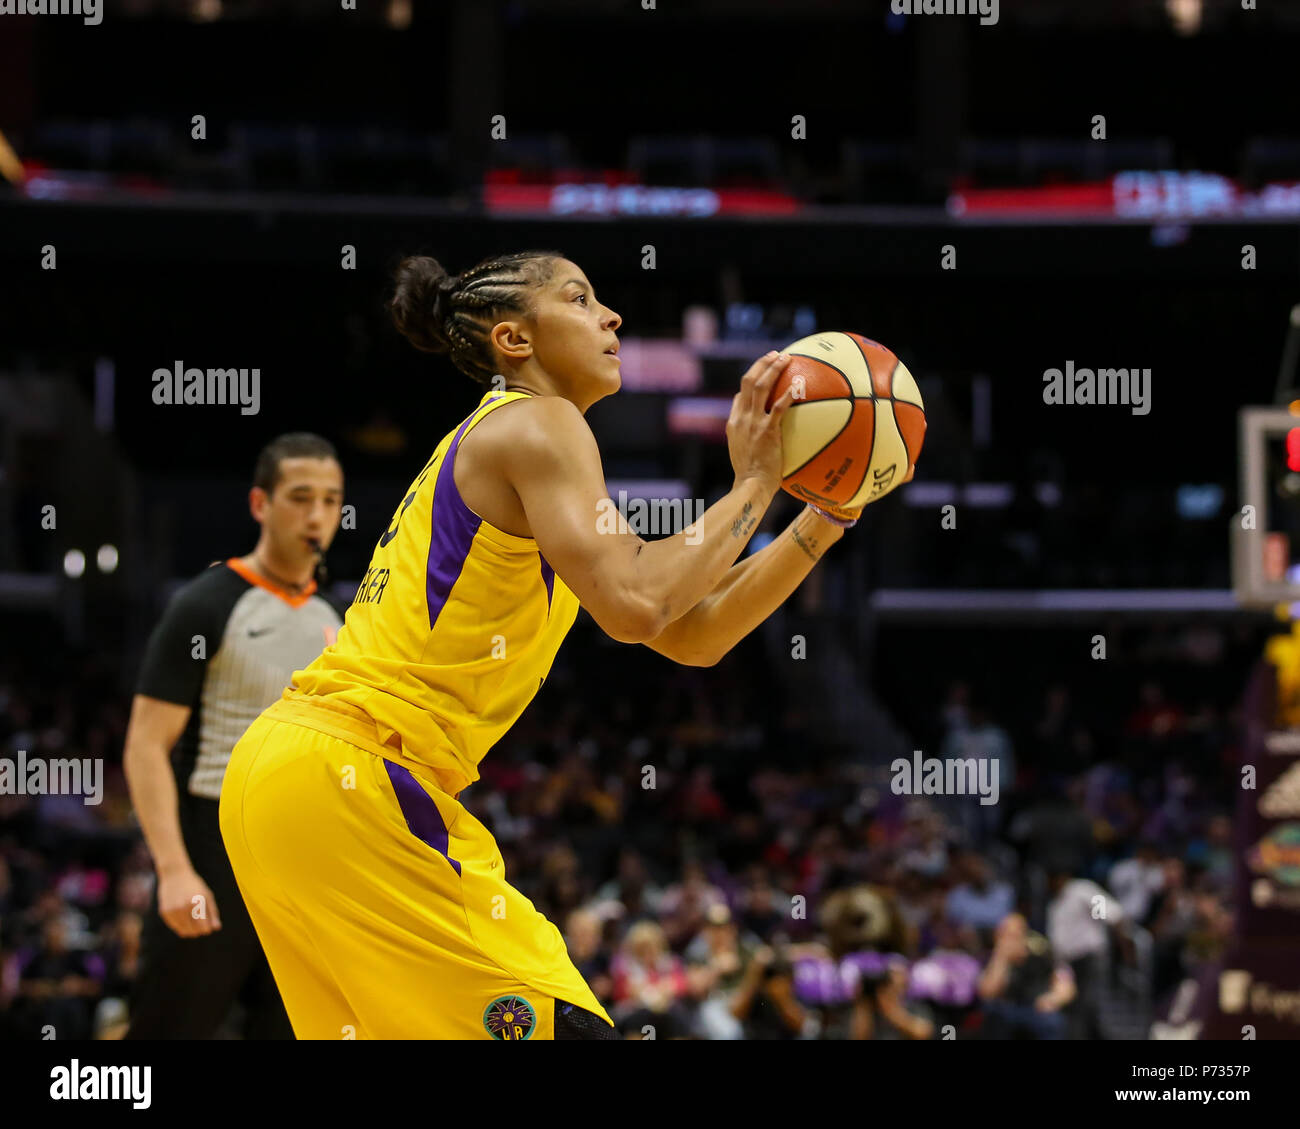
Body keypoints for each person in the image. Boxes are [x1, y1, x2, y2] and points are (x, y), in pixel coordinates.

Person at [220, 249, 913, 1039]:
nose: (611, 316)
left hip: (290, 783)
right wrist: (756, 480)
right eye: (581, 299)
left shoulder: (519, 452)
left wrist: (825, 515)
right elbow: (640, 602)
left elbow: (693, 630)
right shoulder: (539, 422)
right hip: (354, 775)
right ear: (516, 340)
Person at [123, 434, 344, 1039]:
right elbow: (145, 746)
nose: (318, 514)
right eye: (300, 498)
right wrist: (173, 870)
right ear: (259, 505)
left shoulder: (336, 620)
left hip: (300, 863)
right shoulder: (206, 604)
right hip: (212, 846)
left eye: (330, 500)